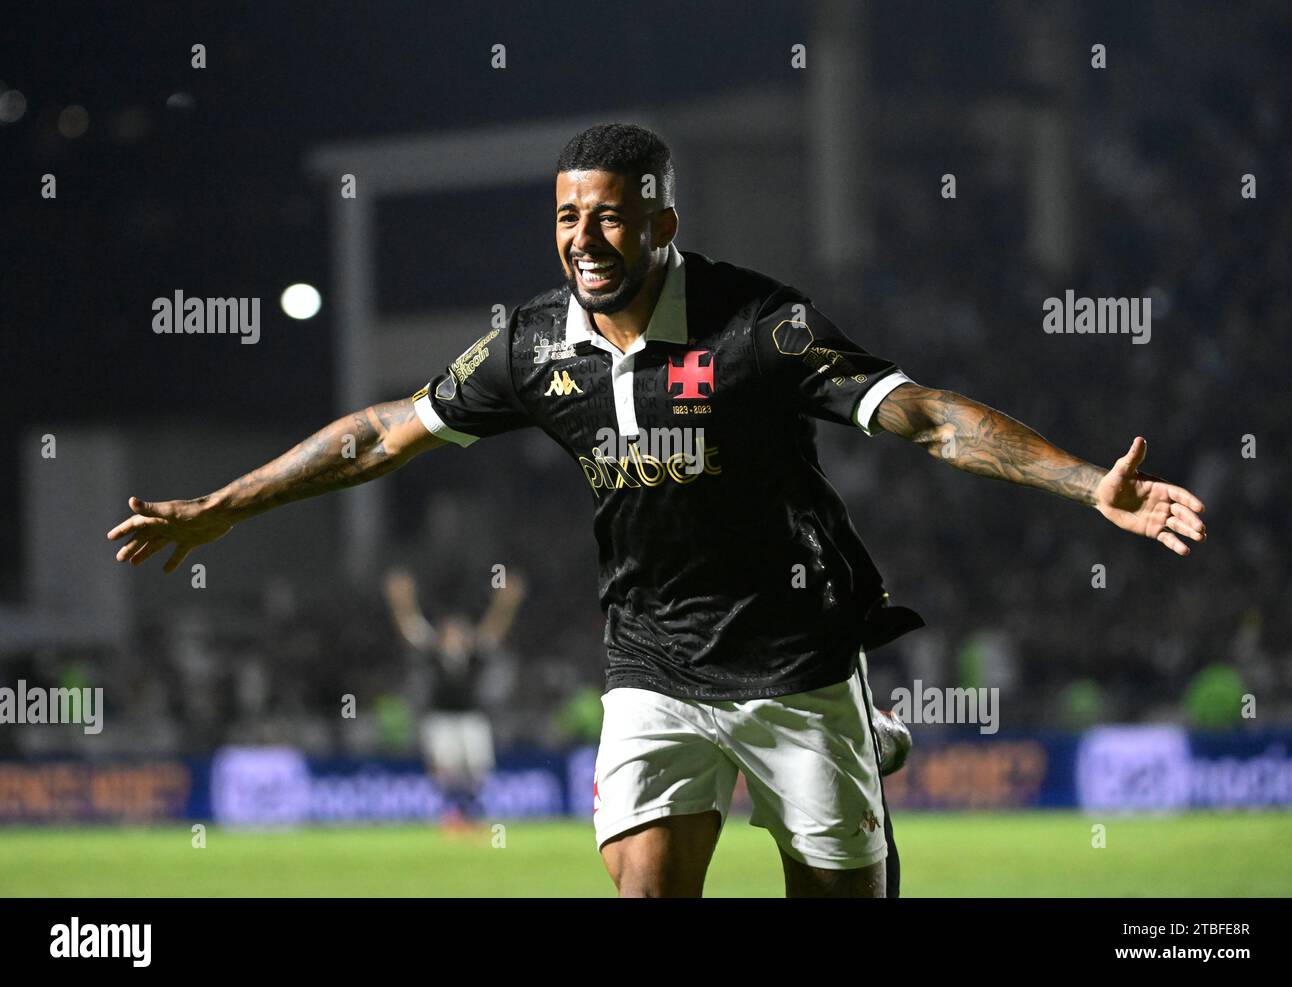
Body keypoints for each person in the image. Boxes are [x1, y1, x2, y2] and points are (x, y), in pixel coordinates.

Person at [107, 122, 1206, 898]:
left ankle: (856, 745)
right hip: (649, 666)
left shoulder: (757, 327)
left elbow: (921, 417)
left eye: (611, 218)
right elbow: (383, 430)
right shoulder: (535, 347)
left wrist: (1081, 483)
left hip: (793, 656)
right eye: (566, 218)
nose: (584, 238)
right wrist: (225, 505)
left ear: (663, 223)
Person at [381, 567, 524, 820]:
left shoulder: (474, 653)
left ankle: (472, 815)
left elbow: (495, 627)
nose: (455, 635)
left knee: (477, 771)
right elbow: (410, 627)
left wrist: (506, 602)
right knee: (446, 771)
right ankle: (452, 815)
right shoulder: (433, 651)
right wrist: (401, 600)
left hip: (471, 718)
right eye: (451, 630)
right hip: (441, 719)